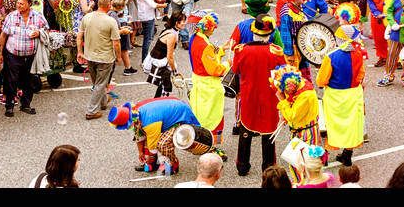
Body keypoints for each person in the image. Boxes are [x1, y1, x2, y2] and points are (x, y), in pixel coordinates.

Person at [231, 16, 282, 176]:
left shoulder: (241, 50)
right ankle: (268, 166)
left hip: (248, 95)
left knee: (245, 130)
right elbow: (282, 75)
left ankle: (243, 166)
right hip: (269, 96)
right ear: (269, 34)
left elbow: (236, 70)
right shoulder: (276, 51)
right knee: (269, 131)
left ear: (254, 33)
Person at [108, 97, 201, 175]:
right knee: (145, 135)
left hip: (180, 118)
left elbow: (153, 142)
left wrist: (150, 156)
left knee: (163, 144)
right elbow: (139, 135)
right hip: (170, 112)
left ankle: (173, 163)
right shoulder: (135, 114)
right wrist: (141, 152)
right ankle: (152, 163)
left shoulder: (149, 121)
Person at [318, 22, 367, 166]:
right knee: (352, 126)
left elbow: (321, 80)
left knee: (331, 125)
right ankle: (347, 155)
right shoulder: (359, 53)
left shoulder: (331, 56)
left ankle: (325, 156)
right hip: (353, 93)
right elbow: (361, 75)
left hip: (335, 95)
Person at [0, 0, 46, 117]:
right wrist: (0, 52)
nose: (18, 5)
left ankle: (26, 105)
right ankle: (9, 106)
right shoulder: (11, 16)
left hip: (30, 56)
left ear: (29, 4)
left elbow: (46, 29)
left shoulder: (38, 16)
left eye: (21, 3)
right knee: (11, 81)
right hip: (13, 55)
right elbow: (3, 35)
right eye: (17, 3)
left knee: (28, 81)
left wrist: (39, 33)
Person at [186, 10, 227, 149]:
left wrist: (221, 50)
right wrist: (228, 64)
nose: (213, 30)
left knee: (201, 114)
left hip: (198, 82)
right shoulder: (206, 45)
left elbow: (205, 58)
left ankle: (201, 143)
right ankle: (213, 146)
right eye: (212, 27)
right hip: (209, 85)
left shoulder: (195, 38)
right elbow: (214, 70)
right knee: (214, 118)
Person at [78, 0, 121, 120]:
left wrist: (79, 52)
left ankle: (102, 102)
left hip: (90, 55)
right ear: (109, 5)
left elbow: (79, 36)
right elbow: (116, 42)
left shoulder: (87, 17)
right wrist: (118, 57)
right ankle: (91, 110)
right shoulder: (111, 21)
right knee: (100, 84)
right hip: (105, 57)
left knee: (98, 82)